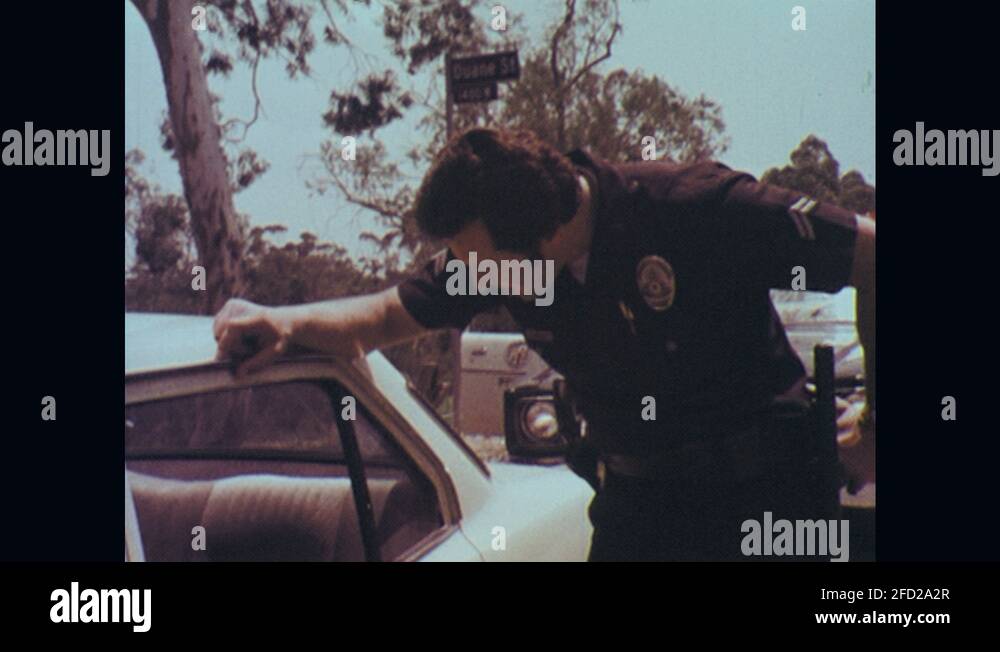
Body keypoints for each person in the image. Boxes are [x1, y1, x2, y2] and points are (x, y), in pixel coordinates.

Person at [213, 127, 875, 561]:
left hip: (765, 505)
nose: (470, 275)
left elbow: (872, 255)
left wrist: (877, 426)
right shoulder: (509, 260)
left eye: (477, 261)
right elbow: (388, 316)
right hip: (639, 513)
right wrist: (286, 323)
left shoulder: (693, 210)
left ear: (544, 235)